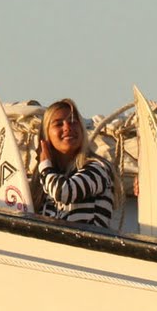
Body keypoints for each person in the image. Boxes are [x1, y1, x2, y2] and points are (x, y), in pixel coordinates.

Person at [37, 98, 116, 230]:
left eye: (73, 122)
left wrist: (45, 165)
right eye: (58, 124)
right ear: (46, 136)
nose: (67, 128)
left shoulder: (99, 168)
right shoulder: (47, 180)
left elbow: (64, 192)